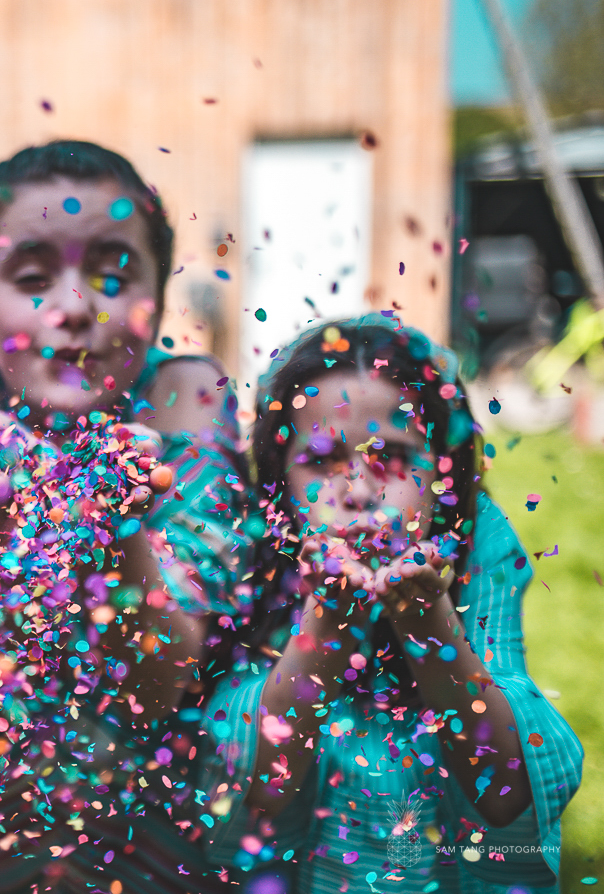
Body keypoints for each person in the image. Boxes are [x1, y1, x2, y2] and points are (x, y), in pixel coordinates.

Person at [0, 140, 248, 894]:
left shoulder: (186, 397)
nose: (74, 307)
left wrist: (121, 530)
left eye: (113, 272)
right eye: (33, 276)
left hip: (155, 841)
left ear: (159, 293)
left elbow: (159, 681)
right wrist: (28, 510)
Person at [200, 315, 583, 892]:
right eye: (323, 459)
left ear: (444, 477)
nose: (356, 491)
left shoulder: (478, 549)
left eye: (395, 458)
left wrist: (427, 622)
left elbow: (508, 794)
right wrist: (327, 629)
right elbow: (252, 794)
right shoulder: (259, 558)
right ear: (278, 485)